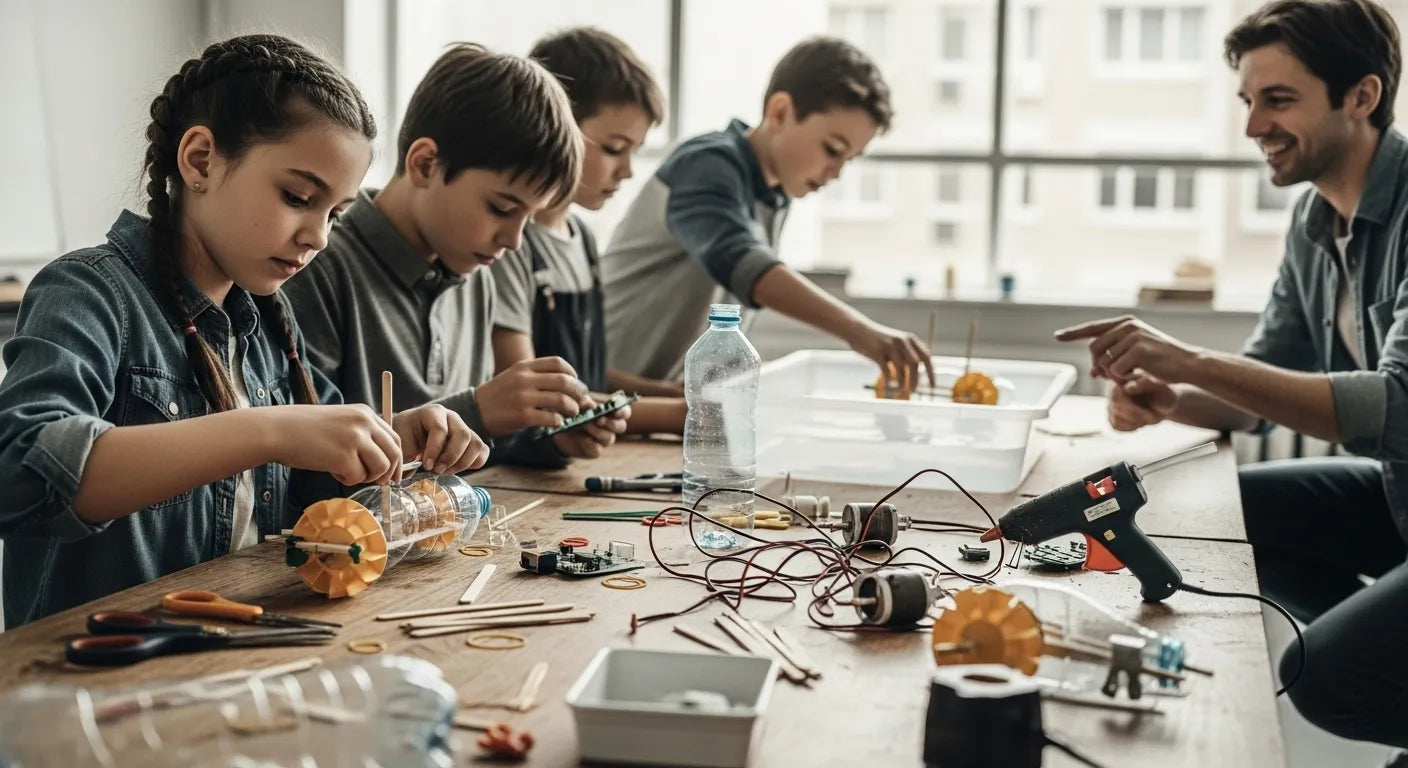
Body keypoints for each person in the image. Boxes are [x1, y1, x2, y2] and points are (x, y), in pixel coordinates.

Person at [0, 35, 487, 627]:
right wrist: (268, 429)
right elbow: (21, 470)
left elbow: (313, 488)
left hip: (226, 648)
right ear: (201, 160)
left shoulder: (267, 325)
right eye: (298, 197)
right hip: (93, 663)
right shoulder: (90, 292)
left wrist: (394, 440)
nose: (318, 237)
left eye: (335, 214)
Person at [1056, 0, 1408, 749]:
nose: (1253, 126)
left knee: (1324, 678)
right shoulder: (1314, 223)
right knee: (1222, 519)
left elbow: (1397, 407)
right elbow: (1262, 384)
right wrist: (1173, 397)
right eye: (1248, 100)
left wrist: (1189, 359)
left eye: (1278, 99)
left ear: (1362, 96)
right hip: (1398, 494)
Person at [285, 43, 629, 466]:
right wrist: (477, 409)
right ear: (426, 164)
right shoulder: (314, 262)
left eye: (529, 217)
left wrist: (551, 438)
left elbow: (468, 455)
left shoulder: (476, 276)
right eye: (501, 208)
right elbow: (305, 462)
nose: (514, 241)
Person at [600, 36, 934, 390]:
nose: (836, 173)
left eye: (848, 159)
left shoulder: (774, 197)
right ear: (780, 112)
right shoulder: (706, 165)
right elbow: (745, 265)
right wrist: (859, 331)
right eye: (832, 149)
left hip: (652, 395)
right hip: (599, 385)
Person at [491, 27, 685, 434]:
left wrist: (667, 393)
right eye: (614, 149)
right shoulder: (509, 244)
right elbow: (534, 400)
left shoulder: (583, 237)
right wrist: (677, 415)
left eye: (634, 152)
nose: (627, 171)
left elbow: (586, 376)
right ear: (556, 128)